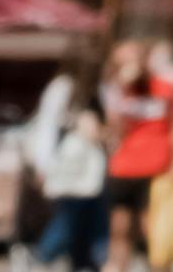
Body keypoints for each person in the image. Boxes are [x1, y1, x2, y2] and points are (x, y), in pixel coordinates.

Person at [103, 39, 173, 272]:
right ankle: (118, 266)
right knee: (120, 228)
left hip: (157, 165)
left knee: (152, 230)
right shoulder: (117, 89)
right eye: (121, 60)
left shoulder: (166, 87)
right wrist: (118, 92)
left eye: (131, 58)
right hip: (124, 166)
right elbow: (115, 129)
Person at [20, 64, 110, 272]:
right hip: (70, 167)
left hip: (88, 170)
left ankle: (83, 263)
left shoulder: (96, 90)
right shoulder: (63, 88)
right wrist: (43, 164)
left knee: (85, 222)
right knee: (67, 220)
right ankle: (40, 256)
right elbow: (47, 127)